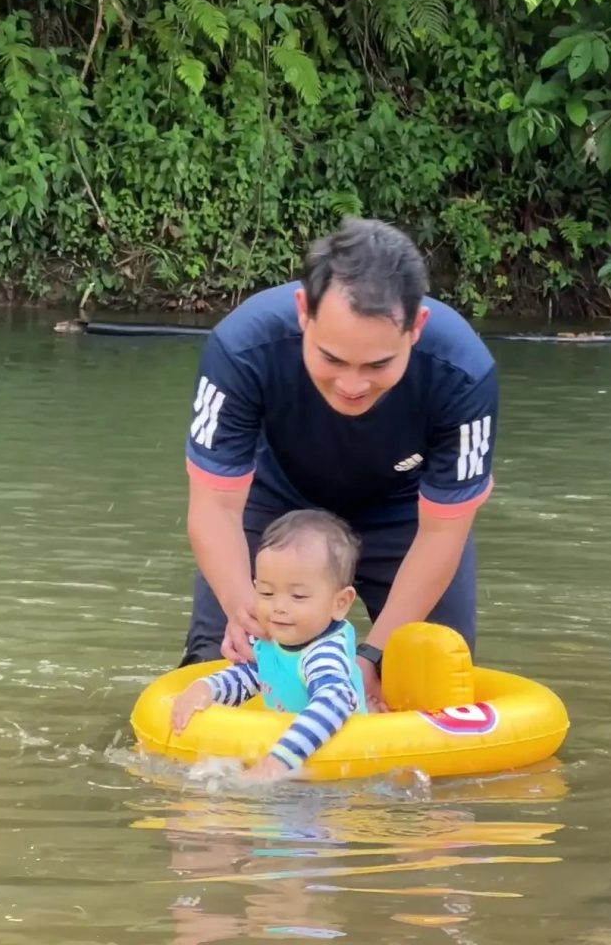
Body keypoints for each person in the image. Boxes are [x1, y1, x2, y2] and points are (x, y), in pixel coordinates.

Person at [181, 216, 499, 710]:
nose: (352, 385)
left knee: (434, 679)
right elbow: (214, 506)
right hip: (272, 504)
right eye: (332, 359)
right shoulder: (241, 349)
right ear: (303, 312)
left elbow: (443, 533)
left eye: (377, 366)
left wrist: (372, 653)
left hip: (405, 515)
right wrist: (244, 610)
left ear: (416, 328)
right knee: (224, 664)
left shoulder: (464, 373)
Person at [170, 509, 366, 780]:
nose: (278, 607)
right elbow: (250, 676)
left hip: (339, 766)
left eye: (298, 596)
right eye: (266, 592)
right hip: (292, 754)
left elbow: (334, 703)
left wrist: (280, 760)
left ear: (339, 603)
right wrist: (207, 687)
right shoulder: (274, 642)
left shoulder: (324, 653)